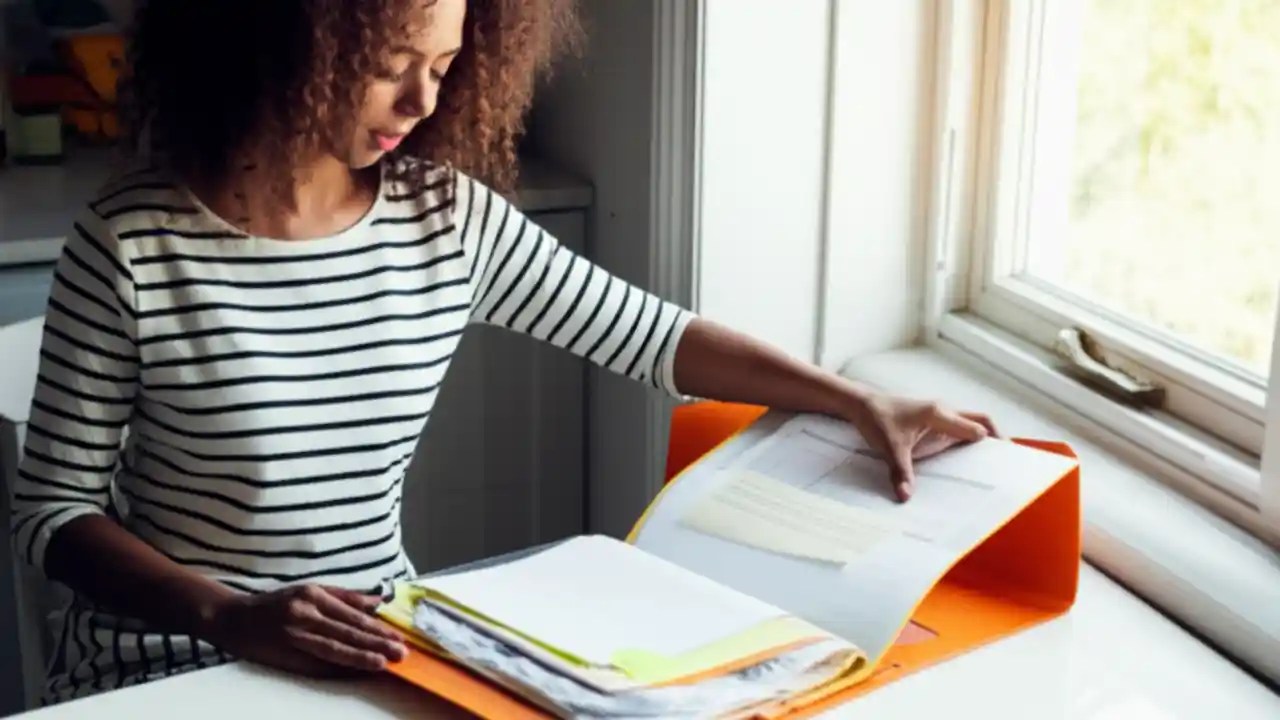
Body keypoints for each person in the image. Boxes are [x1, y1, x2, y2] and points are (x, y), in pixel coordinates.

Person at [9, 0, 996, 704]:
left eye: (442, 65)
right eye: (391, 58)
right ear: (285, 31)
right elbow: (51, 515)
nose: (419, 101)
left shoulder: (449, 224)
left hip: (375, 655)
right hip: (162, 670)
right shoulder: (132, 242)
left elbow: (657, 339)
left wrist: (855, 400)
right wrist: (229, 615)